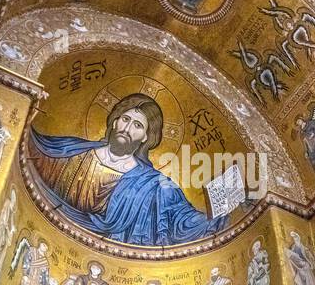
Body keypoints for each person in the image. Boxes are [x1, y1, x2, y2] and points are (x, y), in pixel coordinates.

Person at [29, 94, 225, 245]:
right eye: (125, 119)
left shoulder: (154, 184)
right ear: (115, 122)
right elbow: (36, 150)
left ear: (145, 137)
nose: (127, 128)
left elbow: (182, 219)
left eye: (138, 125)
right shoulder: (71, 152)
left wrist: (224, 204)